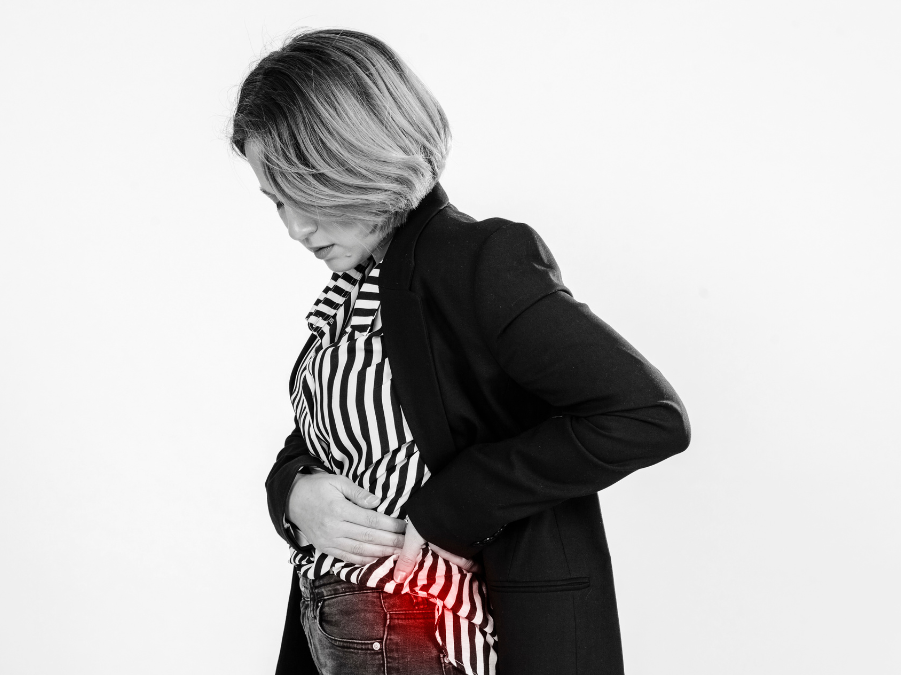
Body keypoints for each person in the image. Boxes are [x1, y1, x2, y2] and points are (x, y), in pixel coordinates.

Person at [230, 29, 690, 675]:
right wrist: (293, 496)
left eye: (304, 193)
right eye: (276, 200)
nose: (294, 227)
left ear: (357, 159)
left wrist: (448, 509)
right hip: (337, 625)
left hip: (419, 630)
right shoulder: (352, 292)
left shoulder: (475, 262)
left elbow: (645, 414)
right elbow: (332, 438)